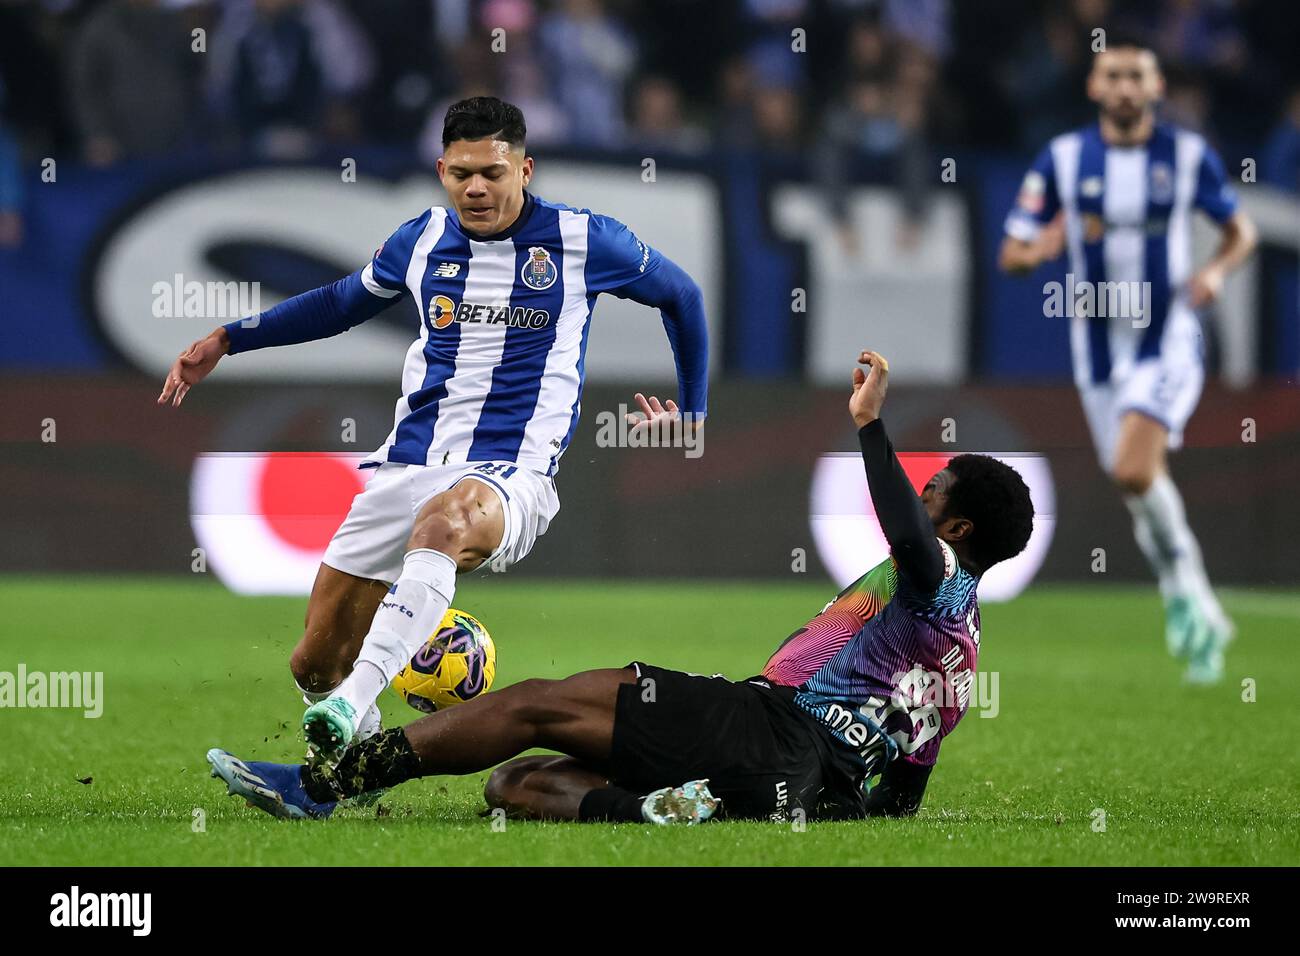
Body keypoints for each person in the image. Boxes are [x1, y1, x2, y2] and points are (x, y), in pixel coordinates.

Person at [206, 349, 1035, 824]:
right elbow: (901, 801)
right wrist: (812, 808)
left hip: (767, 729)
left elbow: (906, 538)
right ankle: (666, 810)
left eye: (934, 494)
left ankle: (321, 785)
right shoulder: (959, 660)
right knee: (516, 783)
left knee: (535, 699)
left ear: (956, 532)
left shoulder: (938, 574)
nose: (919, 498)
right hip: (793, 781)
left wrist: (870, 427)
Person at [160, 96, 709, 761]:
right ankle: (349, 760)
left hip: (512, 474)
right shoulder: (419, 240)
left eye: (493, 173)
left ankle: (353, 703)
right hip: (408, 464)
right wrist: (229, 338)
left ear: (525, 170)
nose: (476, 188)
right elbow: (340, 304)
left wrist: (694, 410)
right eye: (461, 173)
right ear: (443, 171)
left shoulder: (584, 241)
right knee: (313, 661)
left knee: (445, 525)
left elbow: (682, 295)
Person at [999, 33, 1256, 683]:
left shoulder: (1187, 155)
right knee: (1135, 486)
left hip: (1169, 335)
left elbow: (1241, 230)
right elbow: (1013, 253)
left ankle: (1188, 597)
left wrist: (1220, 271)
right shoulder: (1061, 158)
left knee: (1136, 470)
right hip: (1096, 353)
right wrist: (1043, 247)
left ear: (1156, 87)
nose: (1123, 87)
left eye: (1136, 76)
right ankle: (1197, 608)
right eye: (1111, 75)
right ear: (1093, 87)